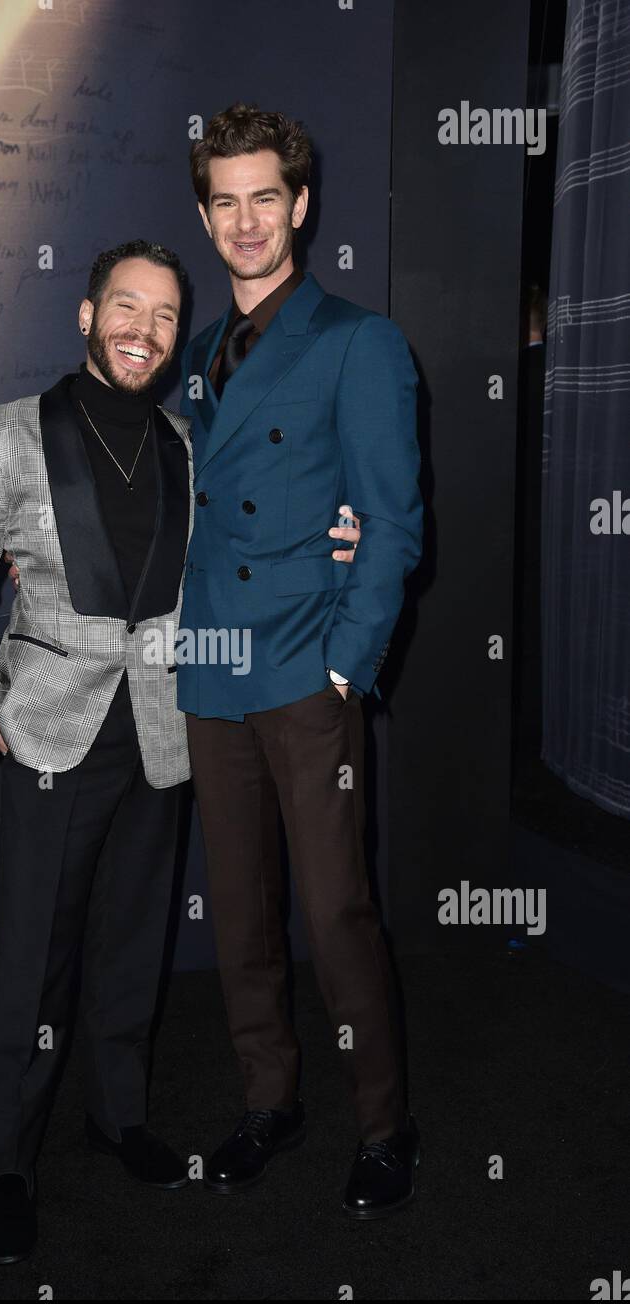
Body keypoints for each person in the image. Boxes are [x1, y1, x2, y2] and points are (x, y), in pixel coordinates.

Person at [0, 236, 365, 1262]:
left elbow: (262, 529)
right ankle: (8, 1161)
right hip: (46, 726)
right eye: (125, 307)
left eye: (166, 316)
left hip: (163, 729)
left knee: (131, 944)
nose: (144, 329)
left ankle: (116, 1117)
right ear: (86, 315)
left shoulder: (184, 442)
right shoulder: (2, 435)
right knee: (33, 957)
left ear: (178, 336)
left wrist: (343, 532)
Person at [176, 104, 424, 1217]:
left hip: (303, 673)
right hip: (212, 672)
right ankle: (269, 1099)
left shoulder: (359, 343)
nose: (244, 221)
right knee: (237, 913)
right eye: (224, 201)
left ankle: (381, 1123)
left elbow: (390, 522)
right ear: (204, 213)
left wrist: (342, 663)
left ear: (300, 206)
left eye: (262, 197)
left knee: (333, 913)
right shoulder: (190, 358)